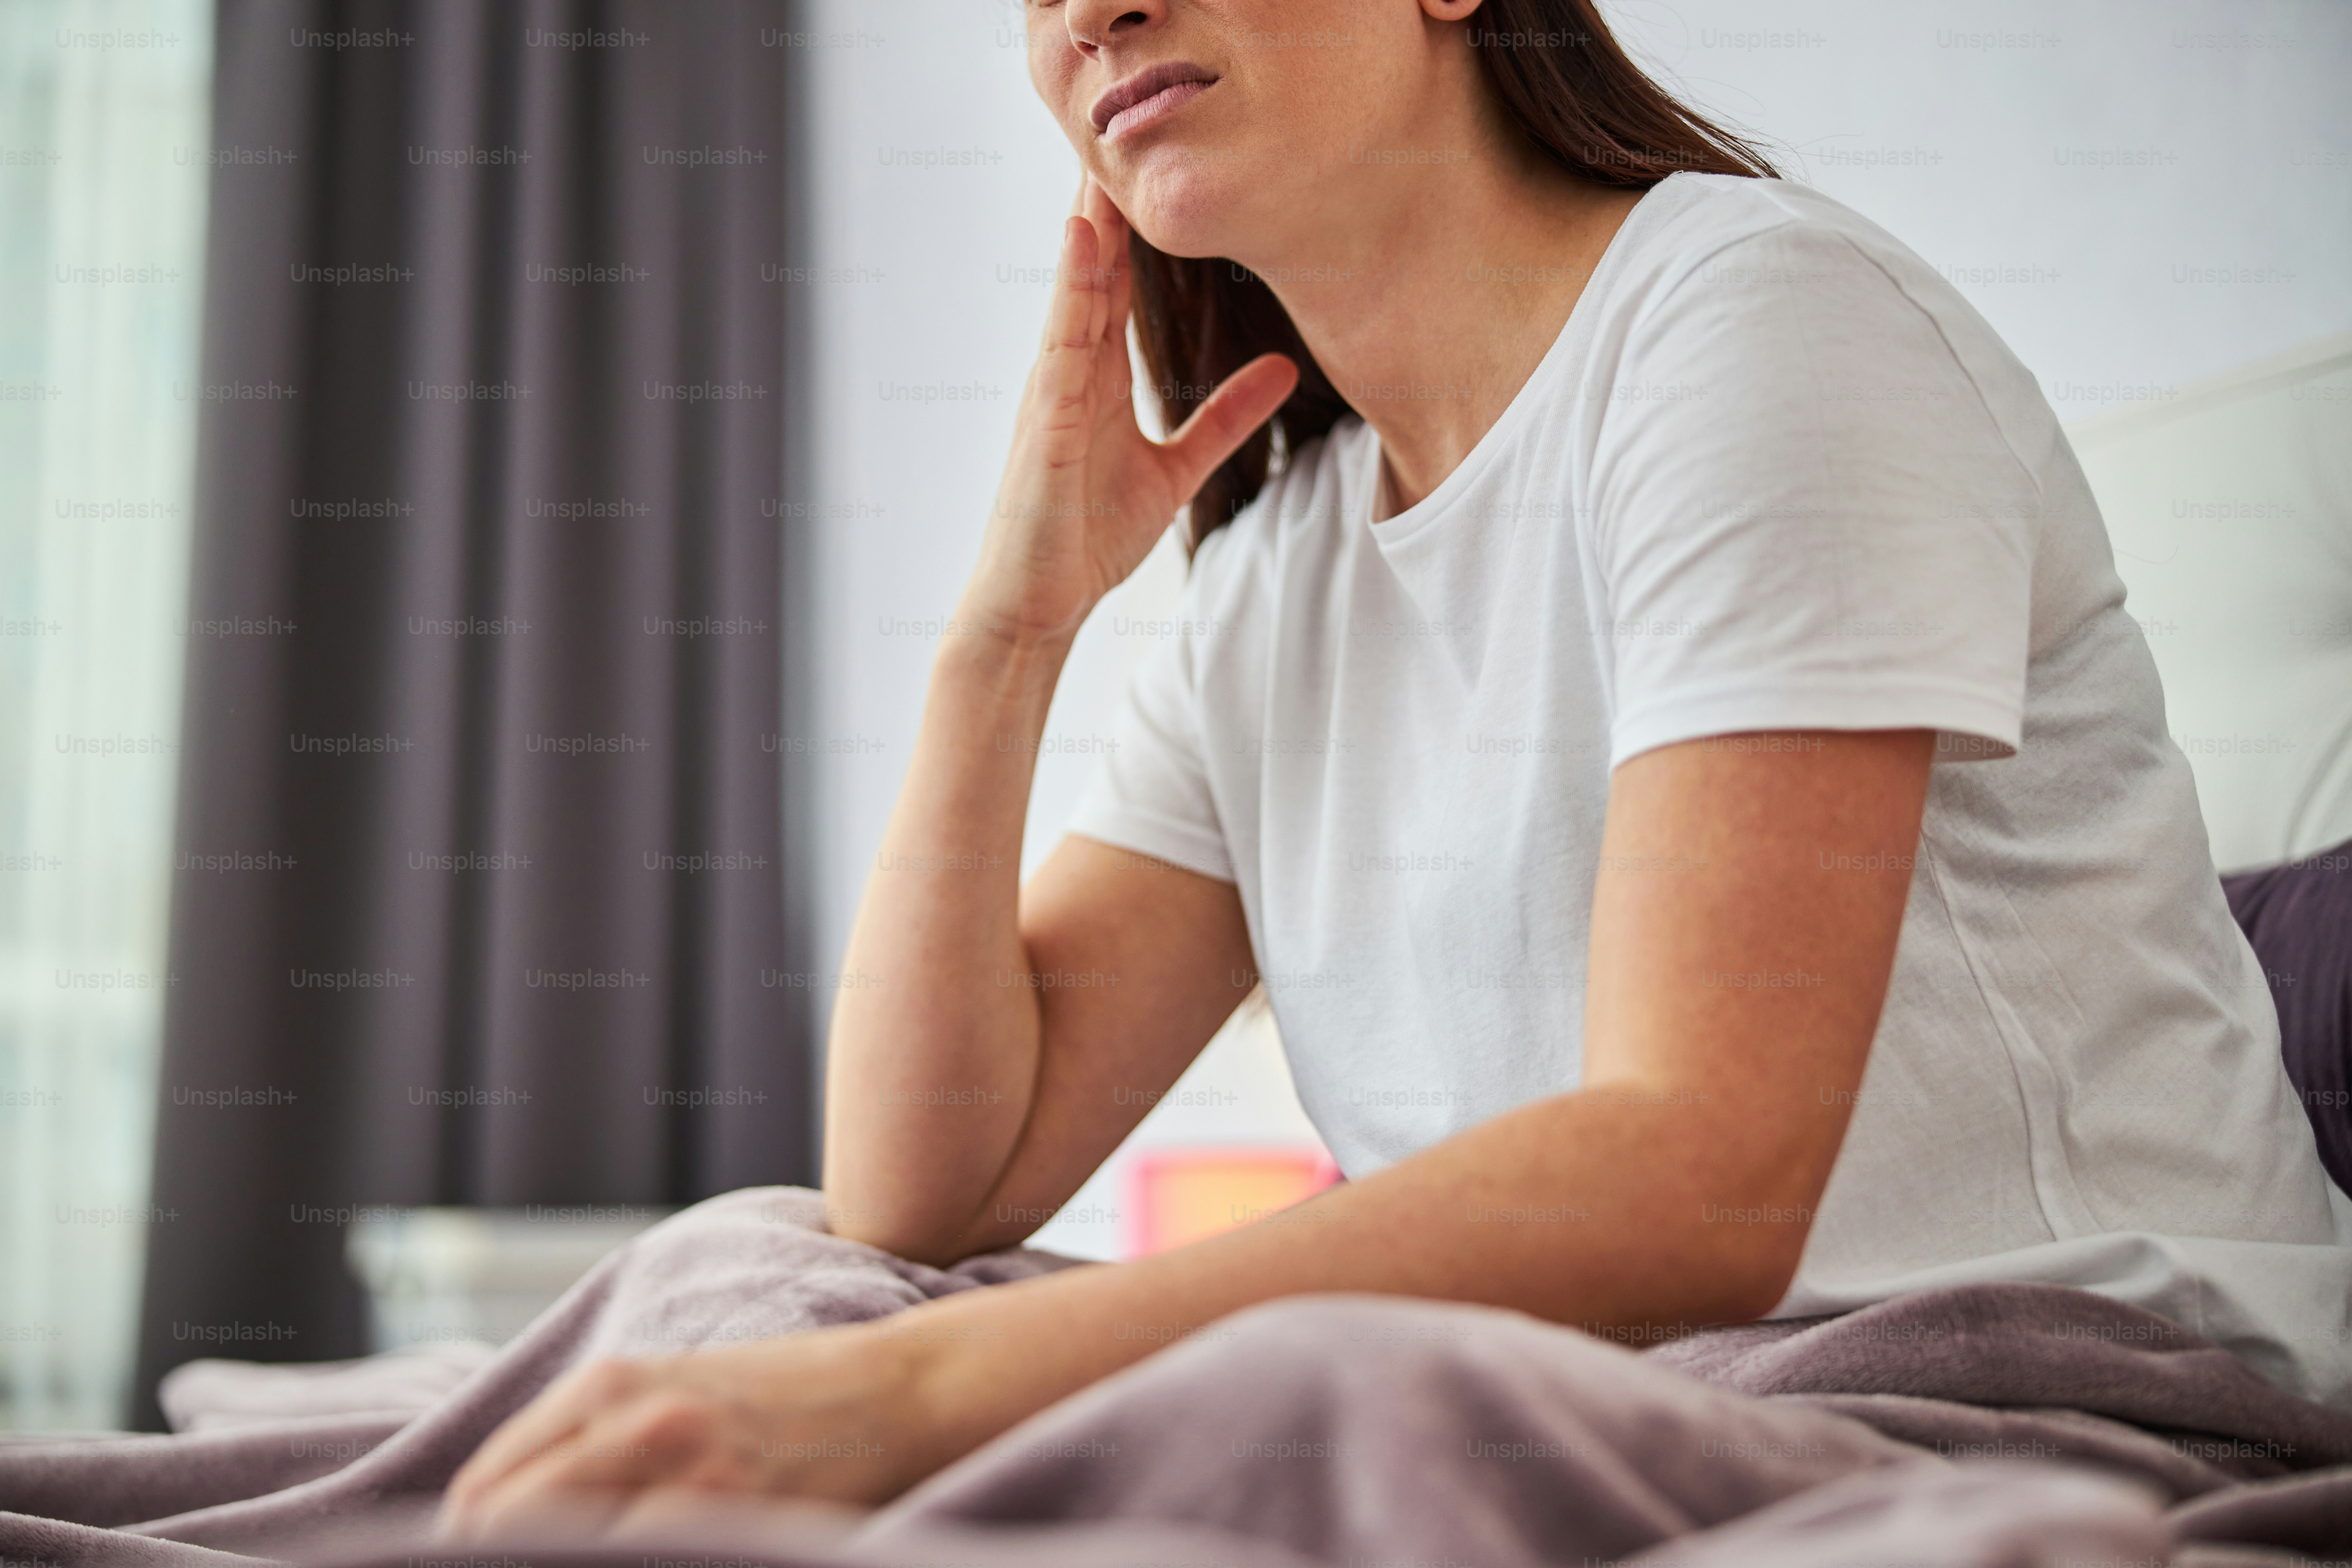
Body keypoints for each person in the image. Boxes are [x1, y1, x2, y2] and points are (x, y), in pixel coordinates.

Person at [442, 0, 2348, 1531]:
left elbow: (1706, 1172)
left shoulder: (1755, 322)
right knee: (770, 1263)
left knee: (985, 1370)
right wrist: (1005, 636)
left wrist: (910, 1397)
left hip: (2025, 1380)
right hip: (1611, 1387)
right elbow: (925, 1184)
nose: (1090, 13)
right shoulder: (1281, 554)